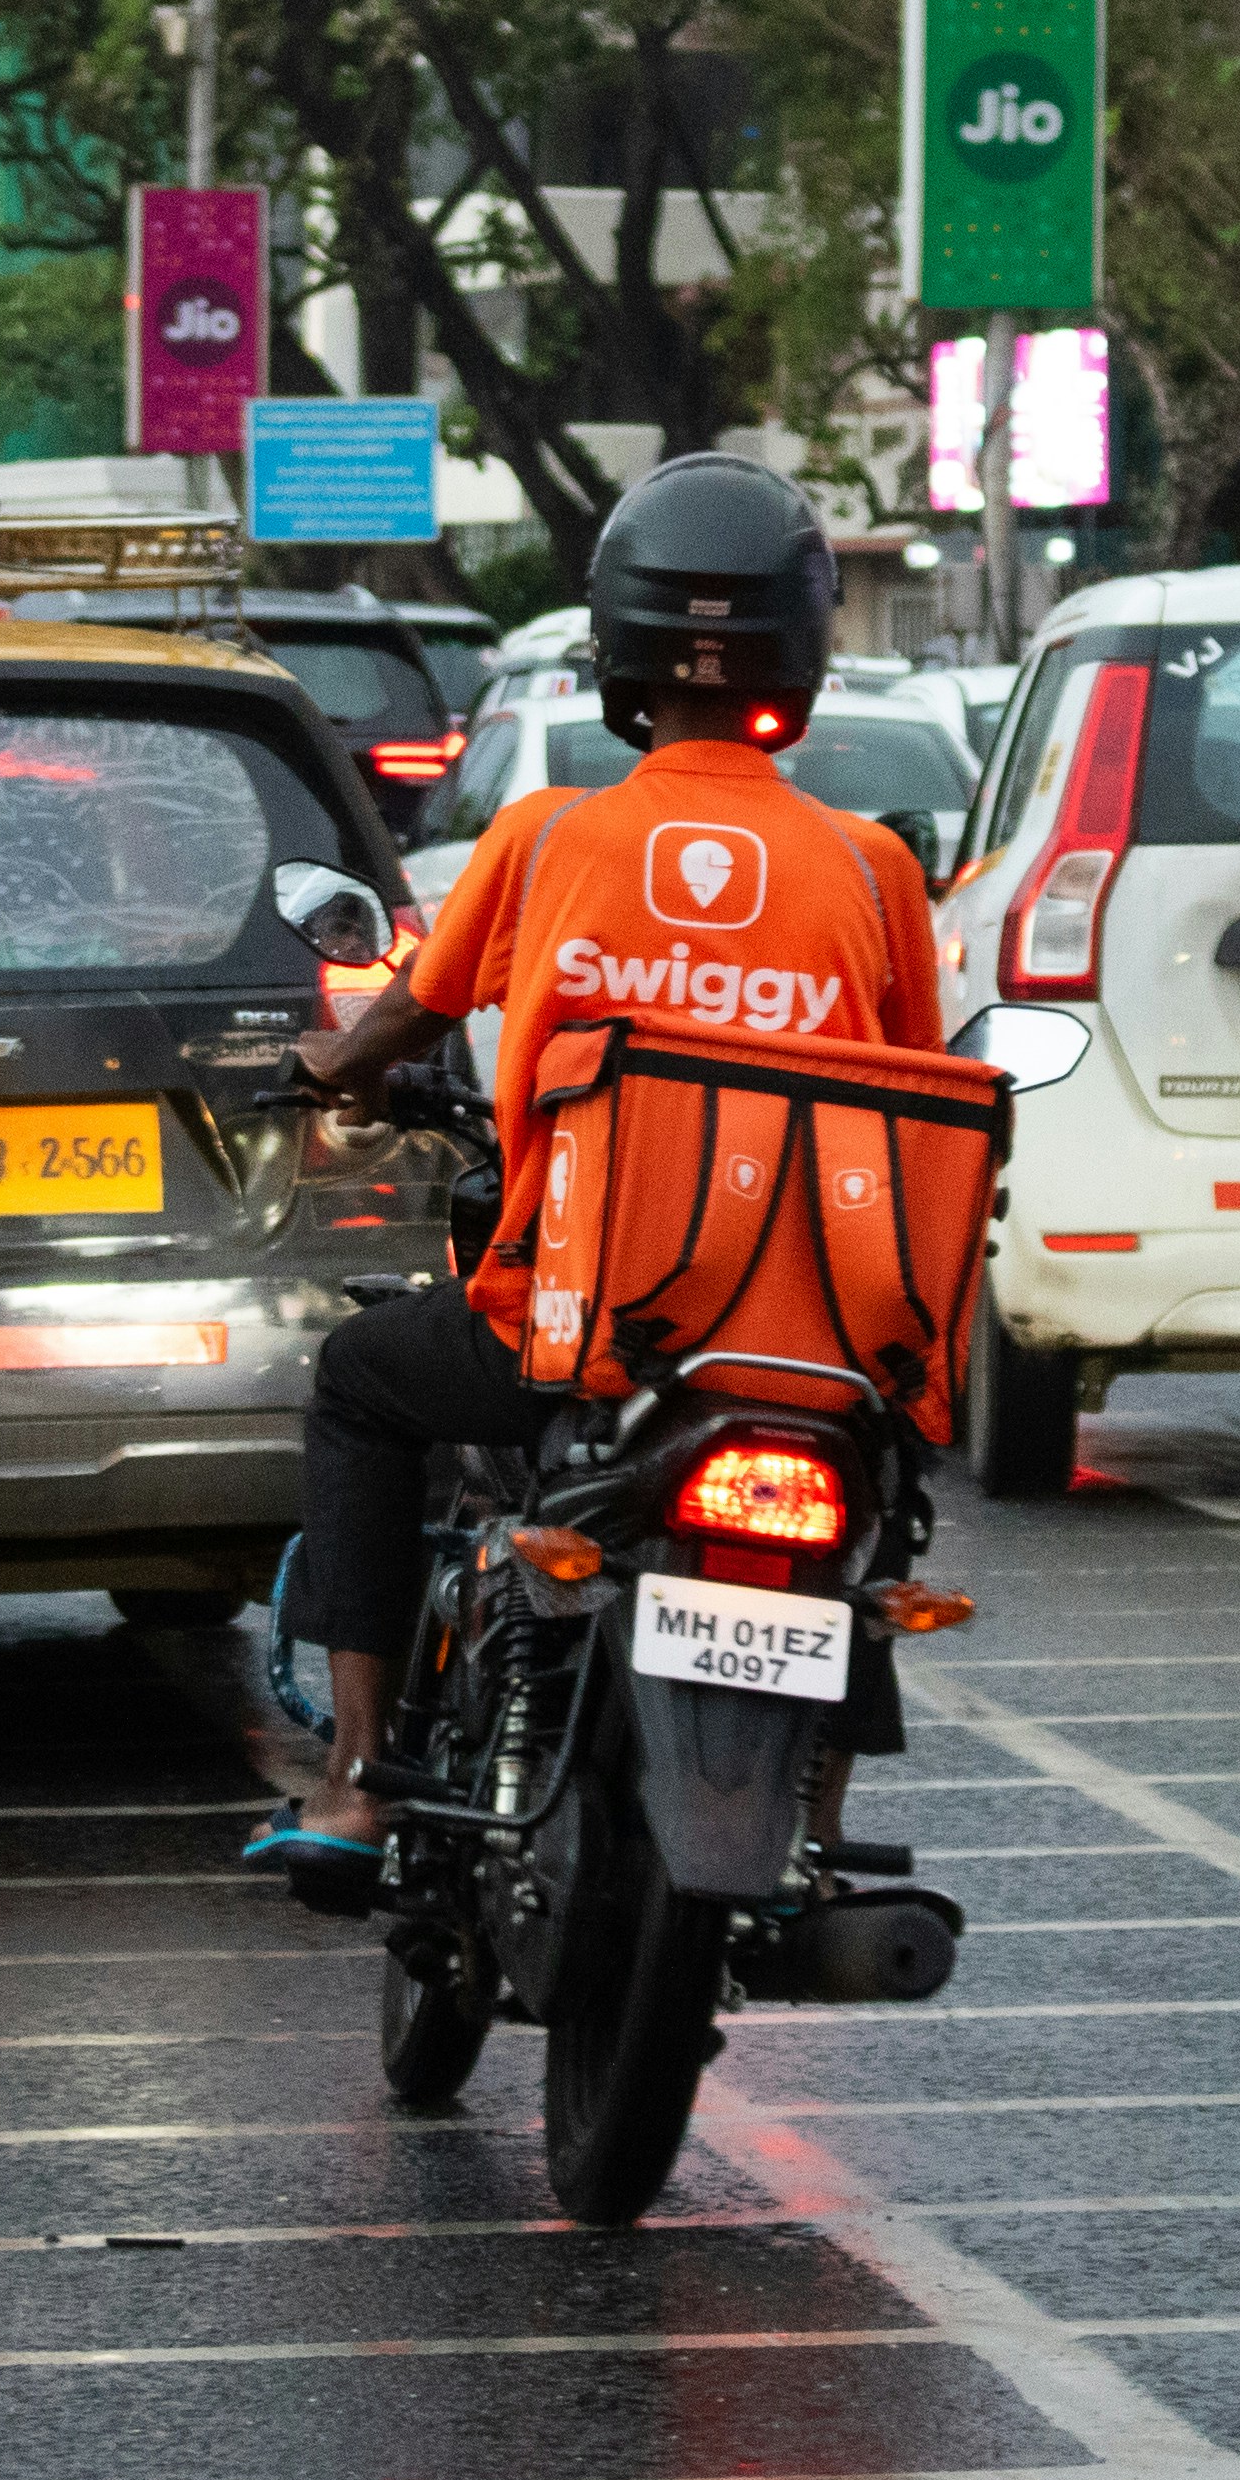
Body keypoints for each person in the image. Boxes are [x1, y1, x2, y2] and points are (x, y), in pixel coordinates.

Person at [244, 452, 944, 1898]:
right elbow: (917, 1102)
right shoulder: (873, 869)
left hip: (575, 1337)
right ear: (804, 651)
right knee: (868, 1508)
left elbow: (400, 1019)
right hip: (811, 1358)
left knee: (361, 1381)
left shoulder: (545, 830)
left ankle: (360, 1777)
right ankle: (812, 1808)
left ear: (616, 650)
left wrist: (330, 1075)